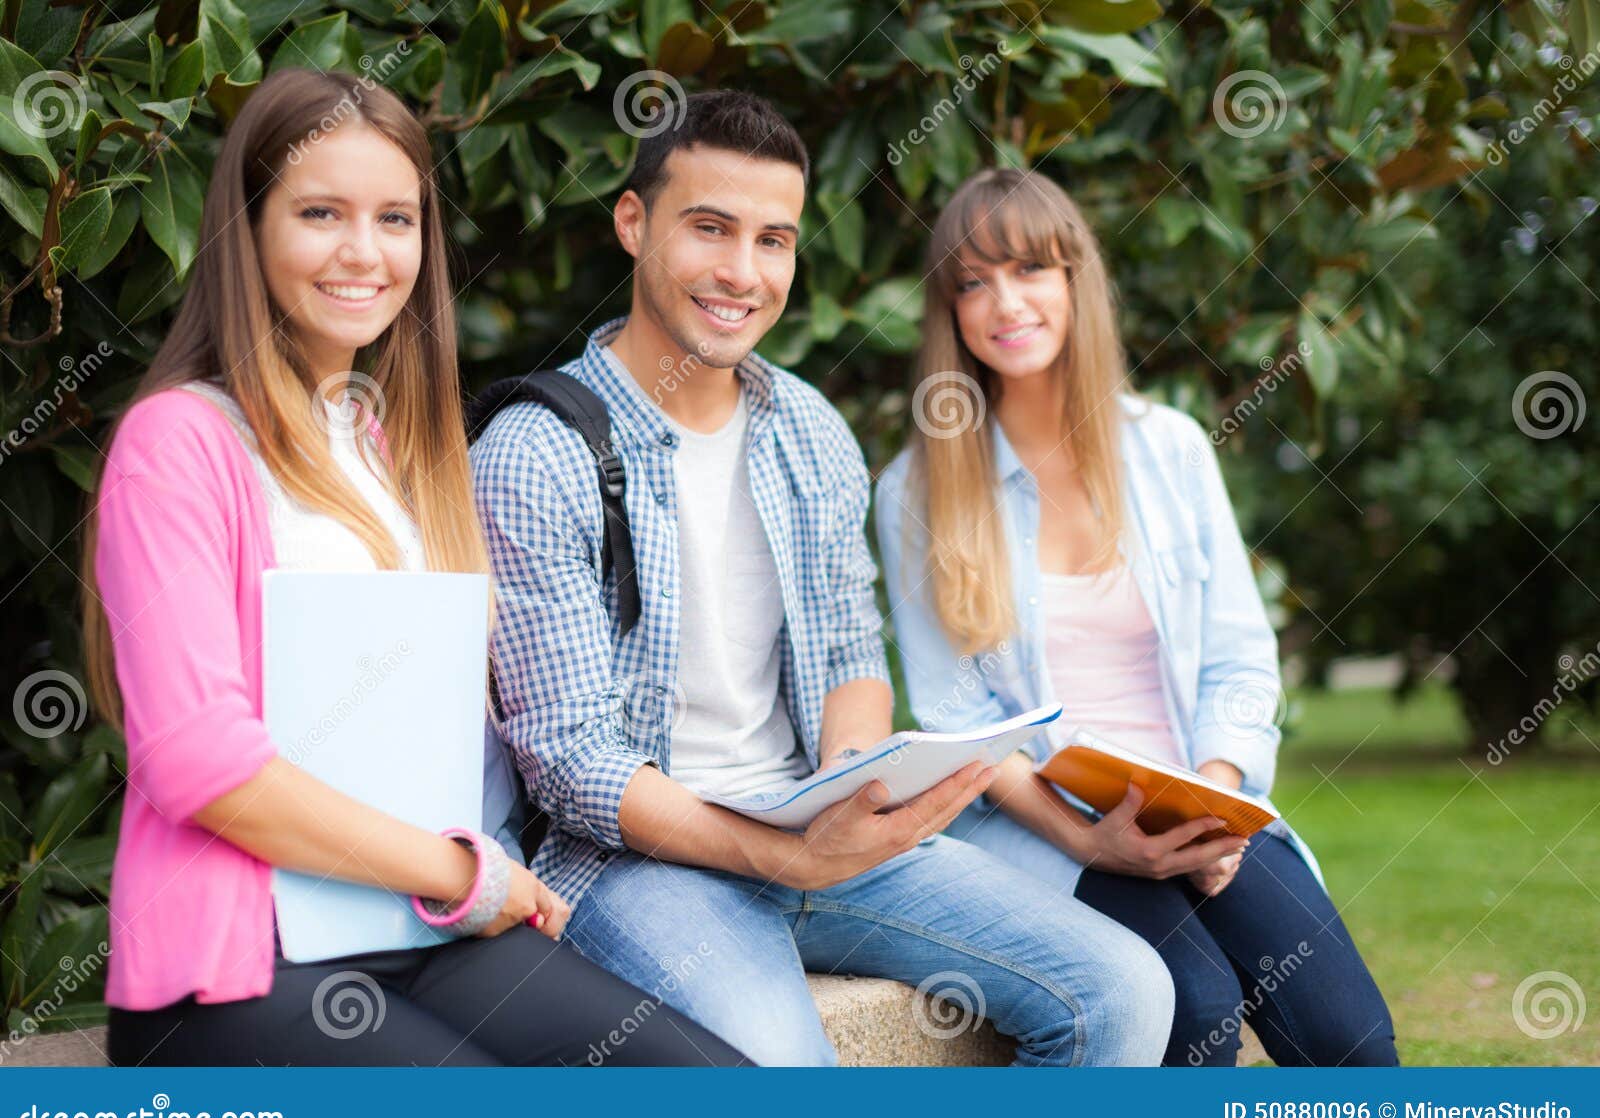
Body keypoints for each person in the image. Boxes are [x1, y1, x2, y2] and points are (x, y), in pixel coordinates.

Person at [472, 91, 1175, 1067]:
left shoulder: (806, 428)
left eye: (774, 240)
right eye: (709, 229)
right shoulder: (533, 452)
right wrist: (783, 850)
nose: (742, 272)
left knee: (1125, 986)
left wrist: (849, 785)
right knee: (782, 1066)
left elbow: (851, 648)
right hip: (637, 869)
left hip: (819, 830)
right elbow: (572, 761)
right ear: (632, 225)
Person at [84, 70, 747, 1067]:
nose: (365, 251)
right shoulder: (176, 441)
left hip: (414, 922)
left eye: (395, 218)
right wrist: (459, 871)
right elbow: (197, 760)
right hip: (249, 962)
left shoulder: (390, 443)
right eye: (320, 213)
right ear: (248, 230)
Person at [875, 167, 1398, 1067]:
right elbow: (964, 728)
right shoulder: (915, 491)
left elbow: (1238, 658)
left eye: (1031, 268)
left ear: (1076, 281)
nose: (1005, 301)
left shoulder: (1170, 448)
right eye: (973, 280)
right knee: (1193, 1007)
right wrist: (1089, 837)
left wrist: (1218, 802)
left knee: (1349, 1040)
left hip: (1201, 799)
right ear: (949, 309)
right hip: (1048, 826)